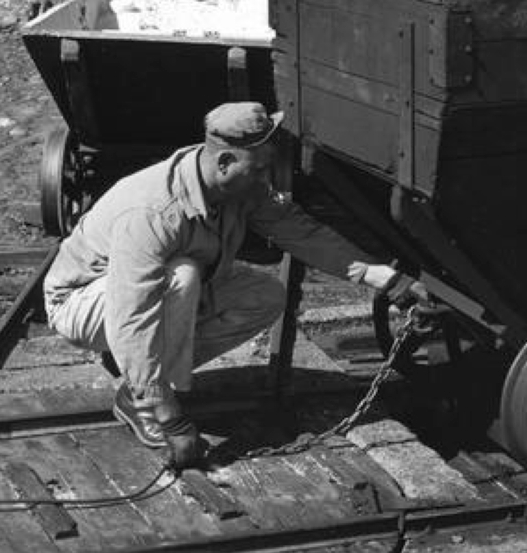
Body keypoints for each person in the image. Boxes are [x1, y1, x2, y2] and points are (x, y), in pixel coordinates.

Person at [44, 101, 427, 469]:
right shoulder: (153, 212)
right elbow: (132, 314)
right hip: (81, 300)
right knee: (182, 275)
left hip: (139, 297)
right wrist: (170, 419)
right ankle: (141, 398)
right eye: (260, 169)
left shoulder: (237, 185)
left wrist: (386, 279)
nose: (267, 178)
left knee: (264, 296)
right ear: (225, 162)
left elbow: (303, 233)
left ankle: (142, 373)